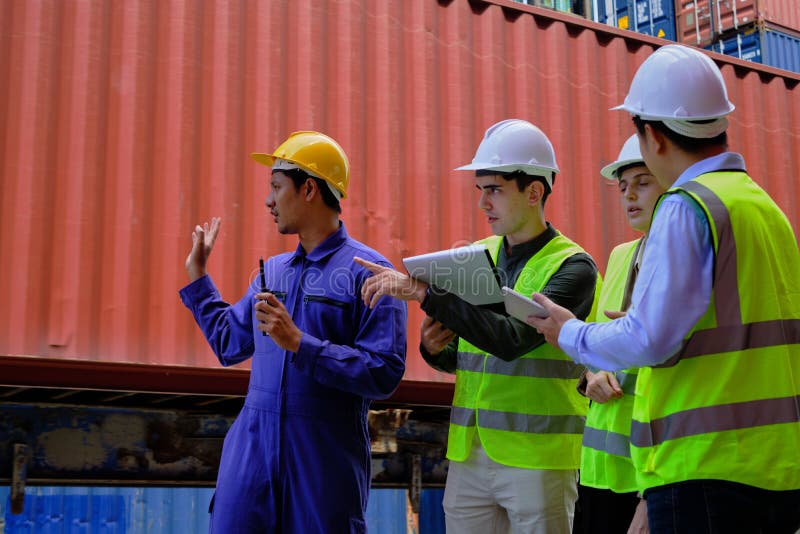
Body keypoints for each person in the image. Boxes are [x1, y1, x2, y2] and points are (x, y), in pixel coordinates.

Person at [527, 44, 800, 533]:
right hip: (777, 468)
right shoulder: (764, 208)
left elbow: (650, 338)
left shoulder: (688, 205)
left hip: (705, 466)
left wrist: (571, 333)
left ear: (651, 135)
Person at [355, 119, 599, 533]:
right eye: (481, 190)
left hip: (539, 458)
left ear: (534, 191)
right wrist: (436, 349)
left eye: (495, 190)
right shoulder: (475, 255)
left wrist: (426, 295)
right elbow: (471, 355)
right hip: (470, 452)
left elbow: (511, 342)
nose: (483, 203)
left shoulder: (573, 267)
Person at [180, 131, 408, 533]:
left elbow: (383, 372)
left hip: (322, 463)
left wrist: (302, 345)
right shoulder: (274, 273)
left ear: (308, 189)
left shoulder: (368, 273)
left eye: (275, 187)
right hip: (251, 457)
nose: (268, 201)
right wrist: (198, 277)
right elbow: (229, 344)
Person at [573, 135, 664, 534]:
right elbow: (595, 351)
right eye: (623, 186)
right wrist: (590, 376)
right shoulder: (618, 256)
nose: (629, 195)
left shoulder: (689, 258)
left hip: (651, 471)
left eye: (642, 182)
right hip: (598, 472)